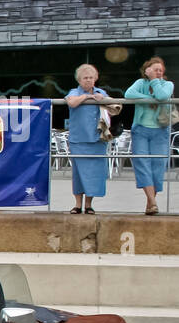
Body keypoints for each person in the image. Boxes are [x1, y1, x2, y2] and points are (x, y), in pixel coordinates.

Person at [64, 63, 118, 214]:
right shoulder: (74, 92)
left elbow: (115, 108)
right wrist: (87, 97)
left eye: (91, 77)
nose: (88, 80)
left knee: (94, 173)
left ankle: (89, 205)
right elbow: (72, 102)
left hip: (97, 140)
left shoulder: (101, 92)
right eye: (85, 78)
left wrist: (103, 99)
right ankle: (77, 204)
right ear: (79, 80)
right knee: (79, 173)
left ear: (95, 79)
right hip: (78, 139)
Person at [124, 56, 173, 216]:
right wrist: (149, 99)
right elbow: (128, 94)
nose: (158, 72)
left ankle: (150, 202)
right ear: (147, 70)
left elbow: (162, 96)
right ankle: (152, 202)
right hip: (141, 130)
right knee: (142, 164)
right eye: (154, 69)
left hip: (160, 130)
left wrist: (154, 80)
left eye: (160, 69)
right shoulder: (140, 83)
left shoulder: (167, 84)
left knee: (158, 165)